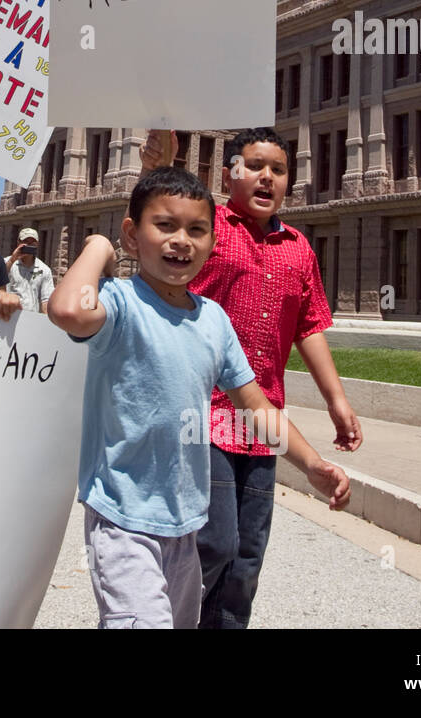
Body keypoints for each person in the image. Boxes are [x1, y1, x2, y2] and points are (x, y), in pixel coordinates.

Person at [47, 166, 350, 629]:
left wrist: (311, 464)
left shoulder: (213, 320)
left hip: (186, 523)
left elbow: (255, 406)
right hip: (123, 517)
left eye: (196, 230)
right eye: (164, 226)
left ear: (213, 242)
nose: (181, 240)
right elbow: (68, 308)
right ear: (132, 234)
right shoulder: (120, 304)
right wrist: (98, 246)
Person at [140, 127, 363, 629]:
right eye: (254, 166)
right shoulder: (207, 227)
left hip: (261, 427)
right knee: (214, 541)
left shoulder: (299, 248)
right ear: (229, 175)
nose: (267, 177)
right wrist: (163, 169)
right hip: (201, 414)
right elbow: (161, 236)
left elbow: (309, 325)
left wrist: (336, 400)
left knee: (245, 562)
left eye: (278, 170)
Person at [6, 227, 54, 313]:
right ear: (18, 242)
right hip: (8, 316)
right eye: (25, 242)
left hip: (31, 318)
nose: (28, 245)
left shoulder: (44, 270)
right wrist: (12, 259)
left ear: (37, 244)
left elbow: (46, 300)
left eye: (32, 243)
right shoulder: (7, 262)